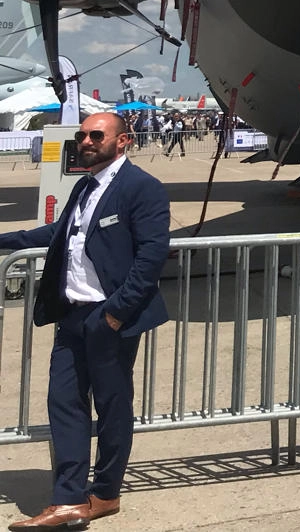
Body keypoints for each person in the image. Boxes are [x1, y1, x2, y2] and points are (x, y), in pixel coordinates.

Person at [0, 113, 170, 531]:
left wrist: (114, 313)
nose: (86, 141)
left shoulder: (141, 188)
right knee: (64, 403)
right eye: (82, 135)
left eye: (97, 134)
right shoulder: (84, 186)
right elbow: (61, 233)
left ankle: (106, 493)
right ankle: (68, 499)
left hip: (109, 317)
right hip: (72, 314)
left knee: (113, 407)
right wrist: (5, 240)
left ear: (123, 141)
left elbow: (151, 257)